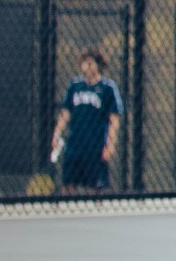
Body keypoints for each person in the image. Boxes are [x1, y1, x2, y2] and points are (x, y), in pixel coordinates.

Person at [52, 48, 123, 193]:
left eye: (91, 62)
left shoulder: (108, 88)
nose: (87, 66)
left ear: (98, 65)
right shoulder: (75, 86)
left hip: (95, 147)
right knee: (68, 184)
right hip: (74, 145)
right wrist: (56, 135)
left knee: (96, 188)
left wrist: (110, 144)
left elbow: (114, 120)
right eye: (84, 62)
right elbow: (65, 114)